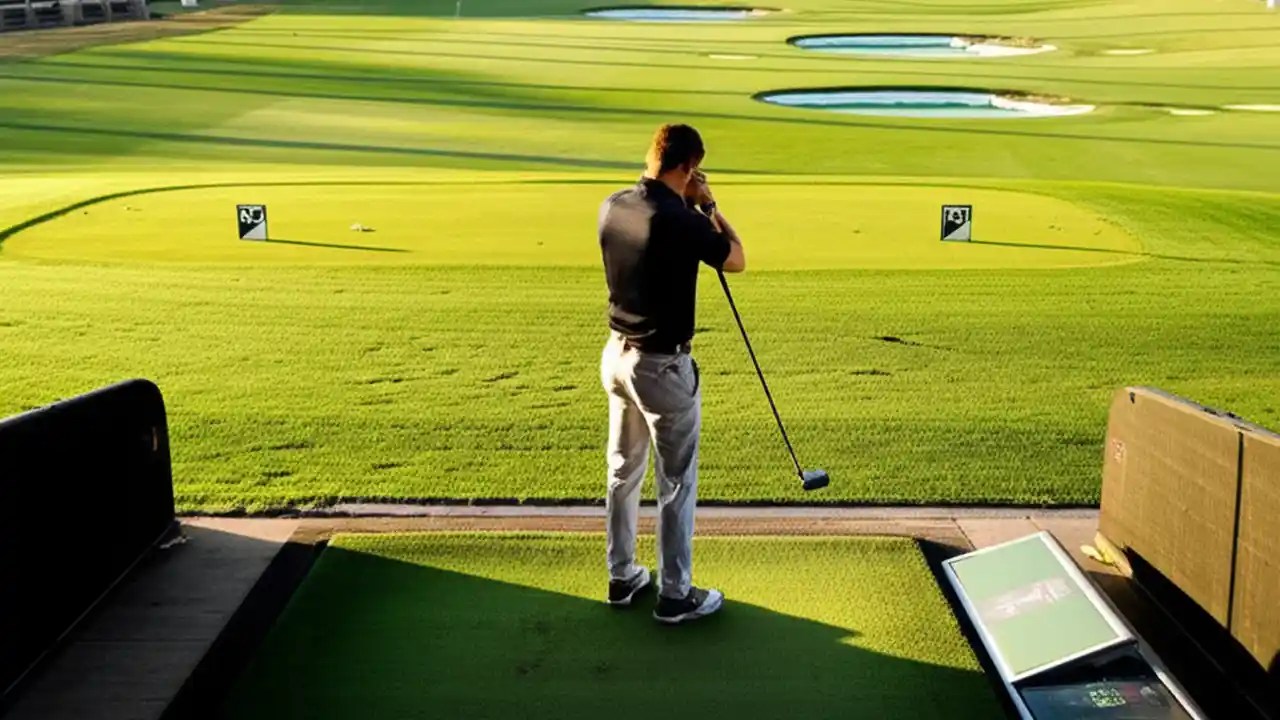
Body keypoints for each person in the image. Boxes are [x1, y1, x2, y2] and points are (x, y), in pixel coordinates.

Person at [597, 123, 746, 625]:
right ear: (687, 167)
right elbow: (737, 258)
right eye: (694, 172)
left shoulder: (615, 204)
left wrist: (688, 201)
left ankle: (622, 577)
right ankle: (675, 595)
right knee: (676, 482)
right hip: (662, 367)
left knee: (623, 471)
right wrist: (707, 206)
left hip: (616, 357)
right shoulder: (681, 220)